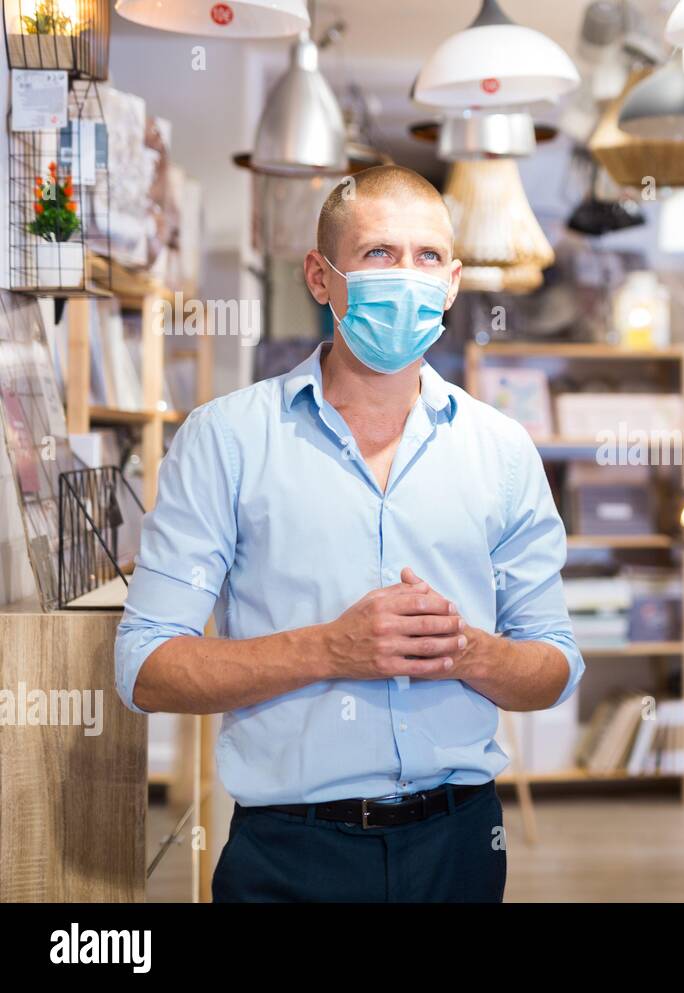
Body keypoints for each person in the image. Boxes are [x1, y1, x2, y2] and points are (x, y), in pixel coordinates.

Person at [115, 165, 584, 903]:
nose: (407, 276)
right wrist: (329, 648)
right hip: (290, 854)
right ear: (319, 275)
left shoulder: (502, 450)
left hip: (459, 848)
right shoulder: (226, 440)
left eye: (428, 257)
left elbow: (555, 665)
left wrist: (469, 650)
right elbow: (145, 665)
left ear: (455, 281)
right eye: (378, 254)